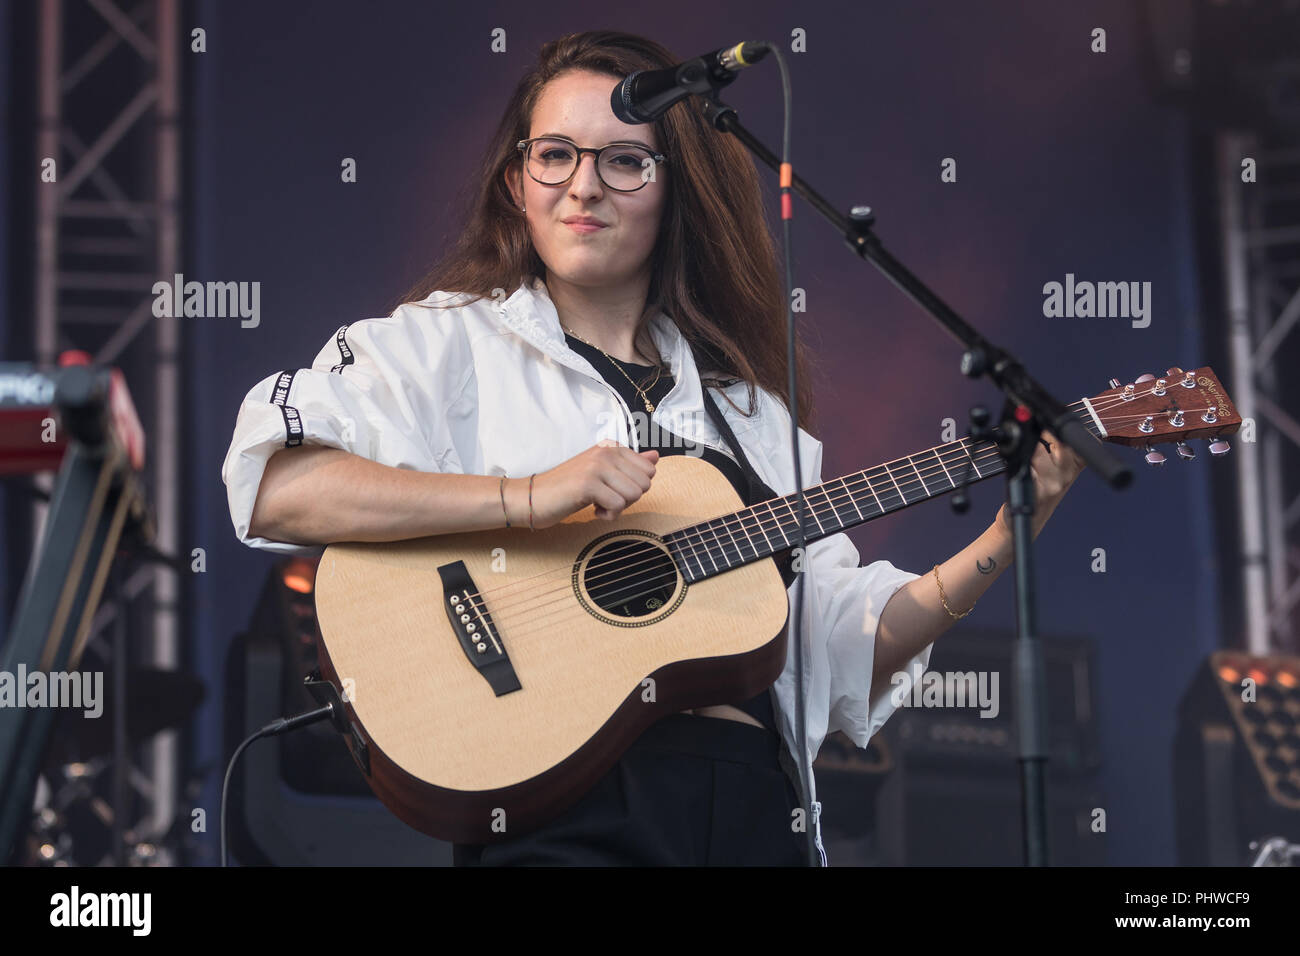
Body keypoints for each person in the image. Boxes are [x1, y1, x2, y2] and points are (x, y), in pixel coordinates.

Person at [221, 30, 1085, 866]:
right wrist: (524, 497)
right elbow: (278, 484)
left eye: (624, 160)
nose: (583, 186)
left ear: (678, 190)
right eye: (554, 154)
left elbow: (841, 640)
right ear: (516, 182)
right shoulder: (450, 345)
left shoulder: (753, 413)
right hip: (561, 804)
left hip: (753, 805)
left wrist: (1014, 531)